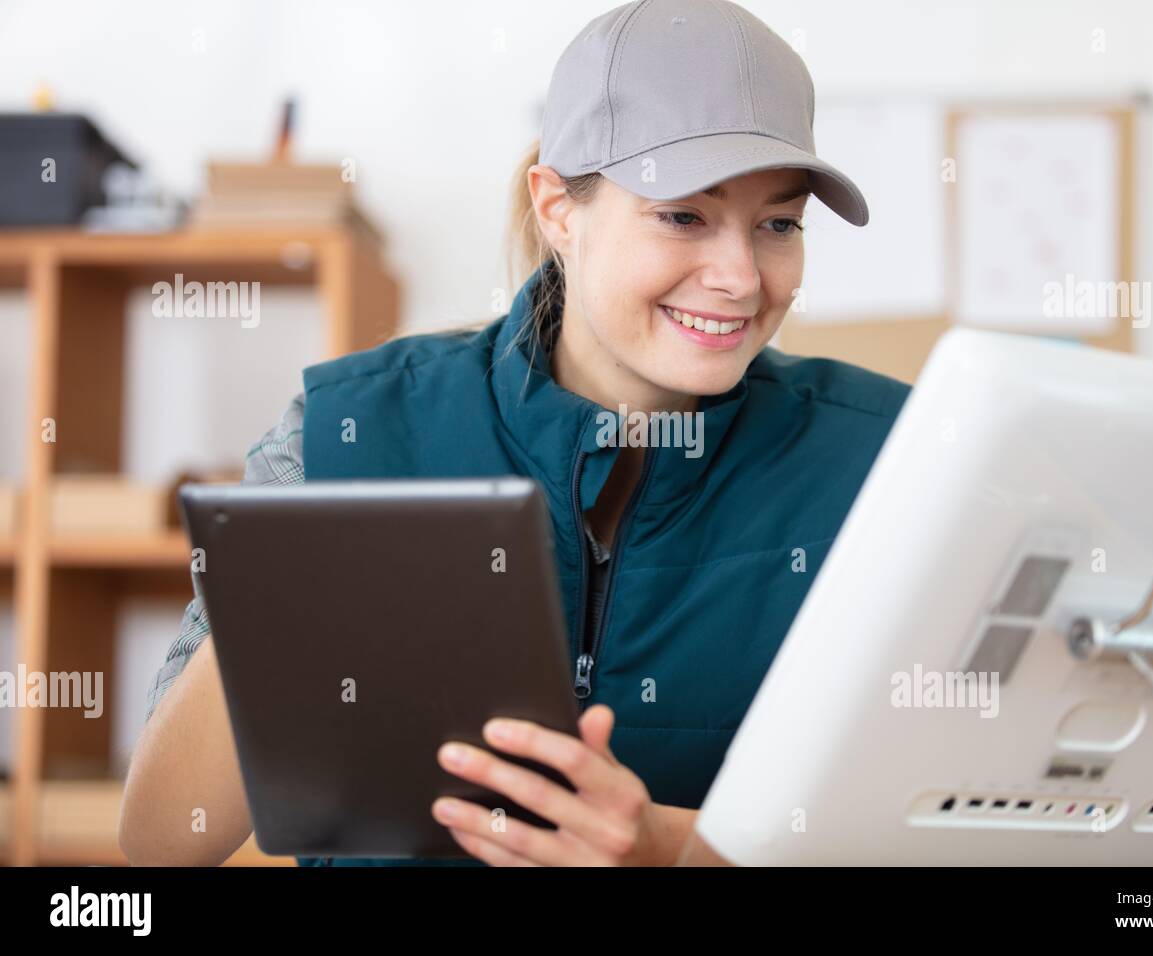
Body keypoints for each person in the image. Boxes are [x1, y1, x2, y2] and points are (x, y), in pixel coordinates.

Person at [119, 0, 910, 867]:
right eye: (684, 215)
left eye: (779, 224)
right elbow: (164, 843)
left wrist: (666, 850)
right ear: (559, 209)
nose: (739, 276)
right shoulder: (350, 428)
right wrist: (308, 577)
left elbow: (962, 834)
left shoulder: (891, 461)